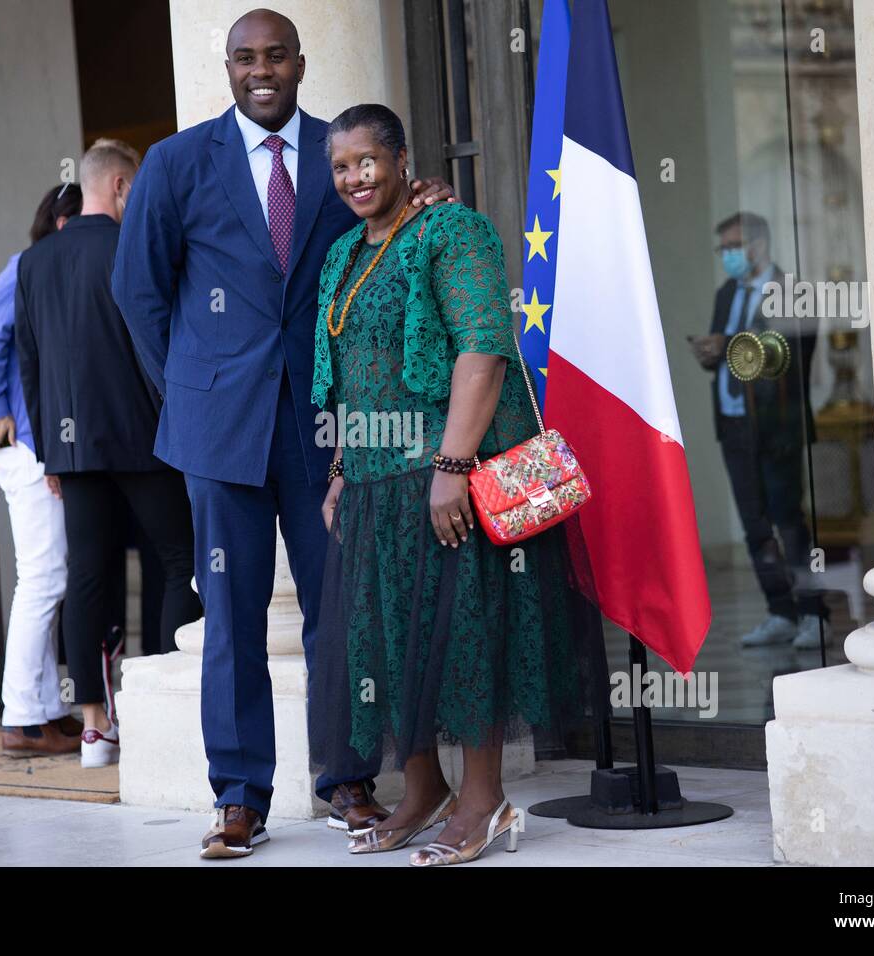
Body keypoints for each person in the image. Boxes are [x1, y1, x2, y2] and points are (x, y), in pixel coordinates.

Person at [112, 9, 454, 858]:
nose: (260, 71)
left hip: (324, 432)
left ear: (300, 65)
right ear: (226, 67)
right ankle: (238, 796)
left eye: (275, 57)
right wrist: (194, 390)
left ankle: (346, 780)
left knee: (341, 612)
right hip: (218, 436)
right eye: (244, 59)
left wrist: (429, 203)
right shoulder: (177, 163)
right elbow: (137, 292)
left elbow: (386, 237)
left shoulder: (341, 162)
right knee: (229, 614)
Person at [307, 104, 584, 867]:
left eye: (368, 161)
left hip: (438, 475)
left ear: (401, 160)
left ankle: (484, 801)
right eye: (341, 166)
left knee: (464, 637)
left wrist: (453, 467)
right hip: (371, 483)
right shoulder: (338, 255)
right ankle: (424, 793)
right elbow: (346, 376)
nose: (356, 177)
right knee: (392, 649)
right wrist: (339, 468)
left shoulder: (451, 231)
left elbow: (484, 349)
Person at [17, 138, 202, 769]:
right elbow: (160, 342)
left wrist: (48, 454)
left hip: (70, 445)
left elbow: (30, 364)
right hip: (143, 435)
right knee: (181, 561)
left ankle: (95, 728)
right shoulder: (132, 247)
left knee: (87, 577)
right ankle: (172, 703)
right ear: (122, 186)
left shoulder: (34, 262)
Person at [0, 183, 83, 758]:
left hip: (29, 443)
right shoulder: (29, 265)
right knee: (43, 577)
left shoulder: (41, 268)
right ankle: (21, 718)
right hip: (19, 443)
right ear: (64, 222)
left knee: (47, 576)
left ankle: (42, 712)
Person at [687, 211, 822, 650]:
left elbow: (787, 355)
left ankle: (813, 615)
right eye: (722, 249)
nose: (727, 256)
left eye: (733, 247)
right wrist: (710, 352)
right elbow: (726, 351)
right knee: (754, 525)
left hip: (776, 426)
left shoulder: (792, 291)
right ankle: (780, 612)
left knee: (789, 521)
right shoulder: (727, 292)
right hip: (734, 424)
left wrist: (729, 344)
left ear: (758, 246)